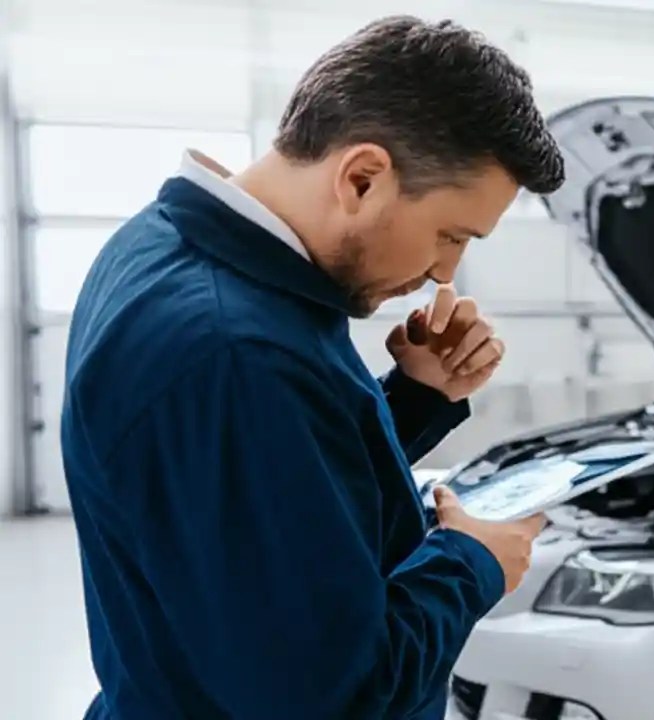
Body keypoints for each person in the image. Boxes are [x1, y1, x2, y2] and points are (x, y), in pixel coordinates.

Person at [60, 15, 565, 720]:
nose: (445, 273)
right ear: (362, 178)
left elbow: (259, 488)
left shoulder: (169, 248)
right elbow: (333, 699)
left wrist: (416, 396)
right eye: (451, 235)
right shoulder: (235, 352)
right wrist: (469, 561)